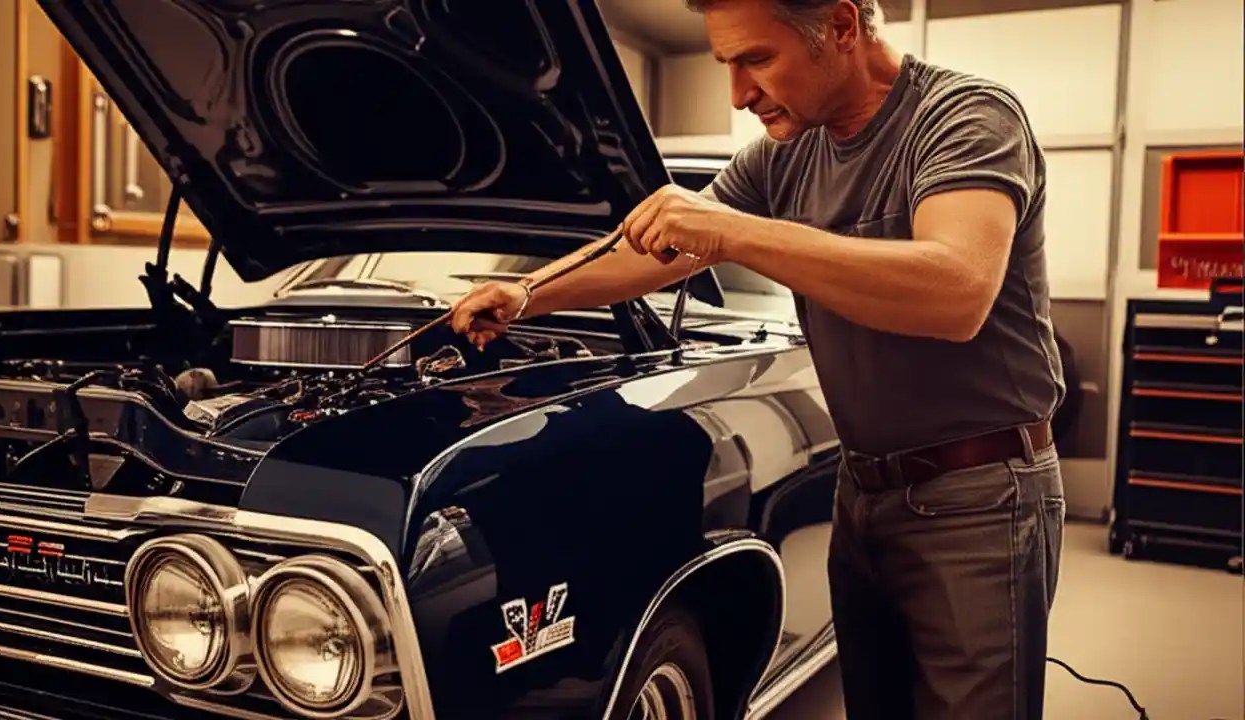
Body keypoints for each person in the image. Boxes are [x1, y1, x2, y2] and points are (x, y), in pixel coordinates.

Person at [448, 0, 1066, 717]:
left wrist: (737, 234)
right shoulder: (787, 151)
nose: (739, 94)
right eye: (727, 66)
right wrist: (529, 291)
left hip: (979, 496)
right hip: (863, 492)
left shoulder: (966, 119)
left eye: (757, 60)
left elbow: (956, 293)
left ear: (841, 28)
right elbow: (666, 247)